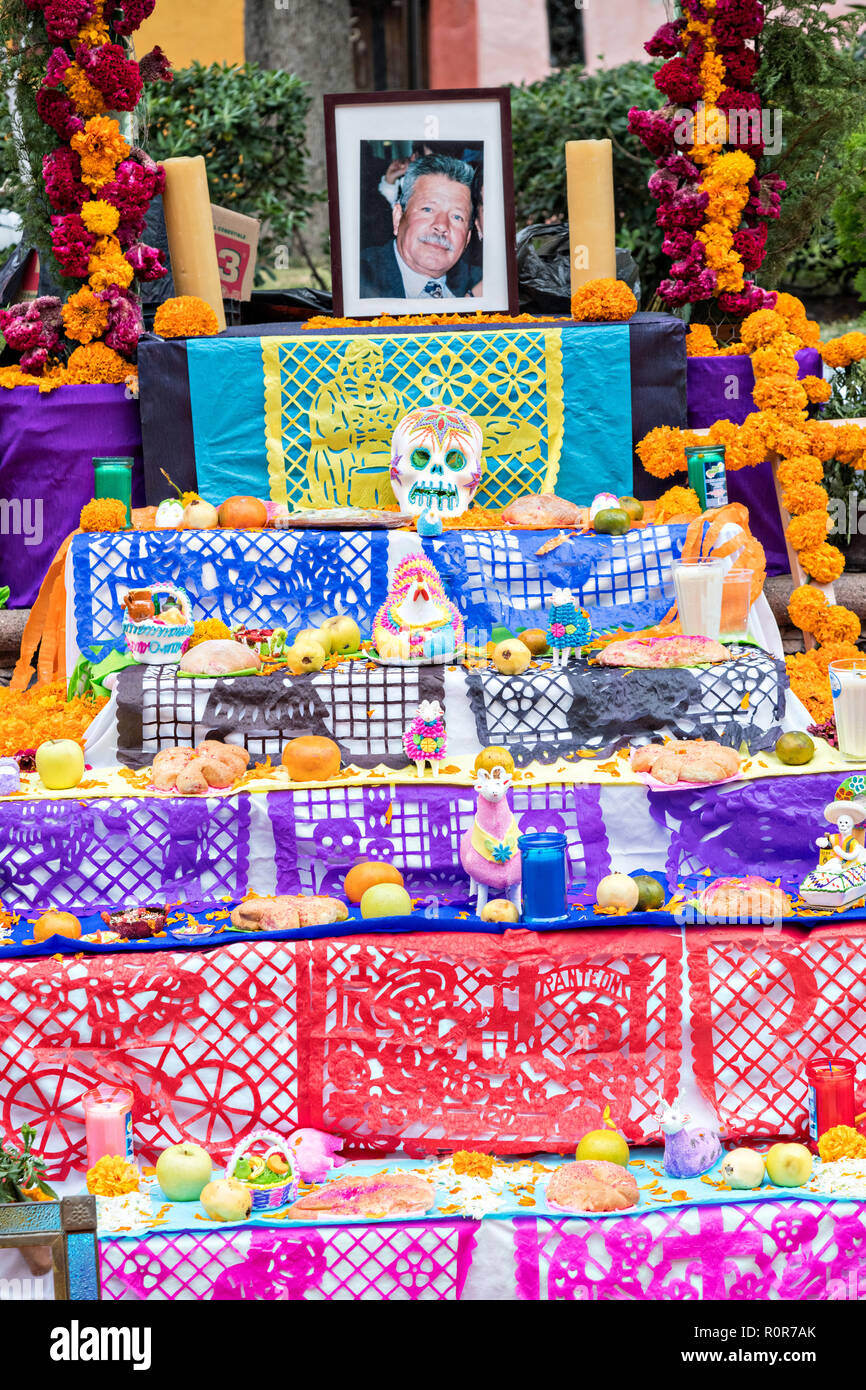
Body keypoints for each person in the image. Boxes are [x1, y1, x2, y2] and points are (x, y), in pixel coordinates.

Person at [359, 152, 481, 300]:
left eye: (457, 217)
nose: (442, 226)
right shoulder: (356, 281)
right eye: (428, 209)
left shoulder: (483, 287)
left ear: (468, 237)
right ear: (397, 217)